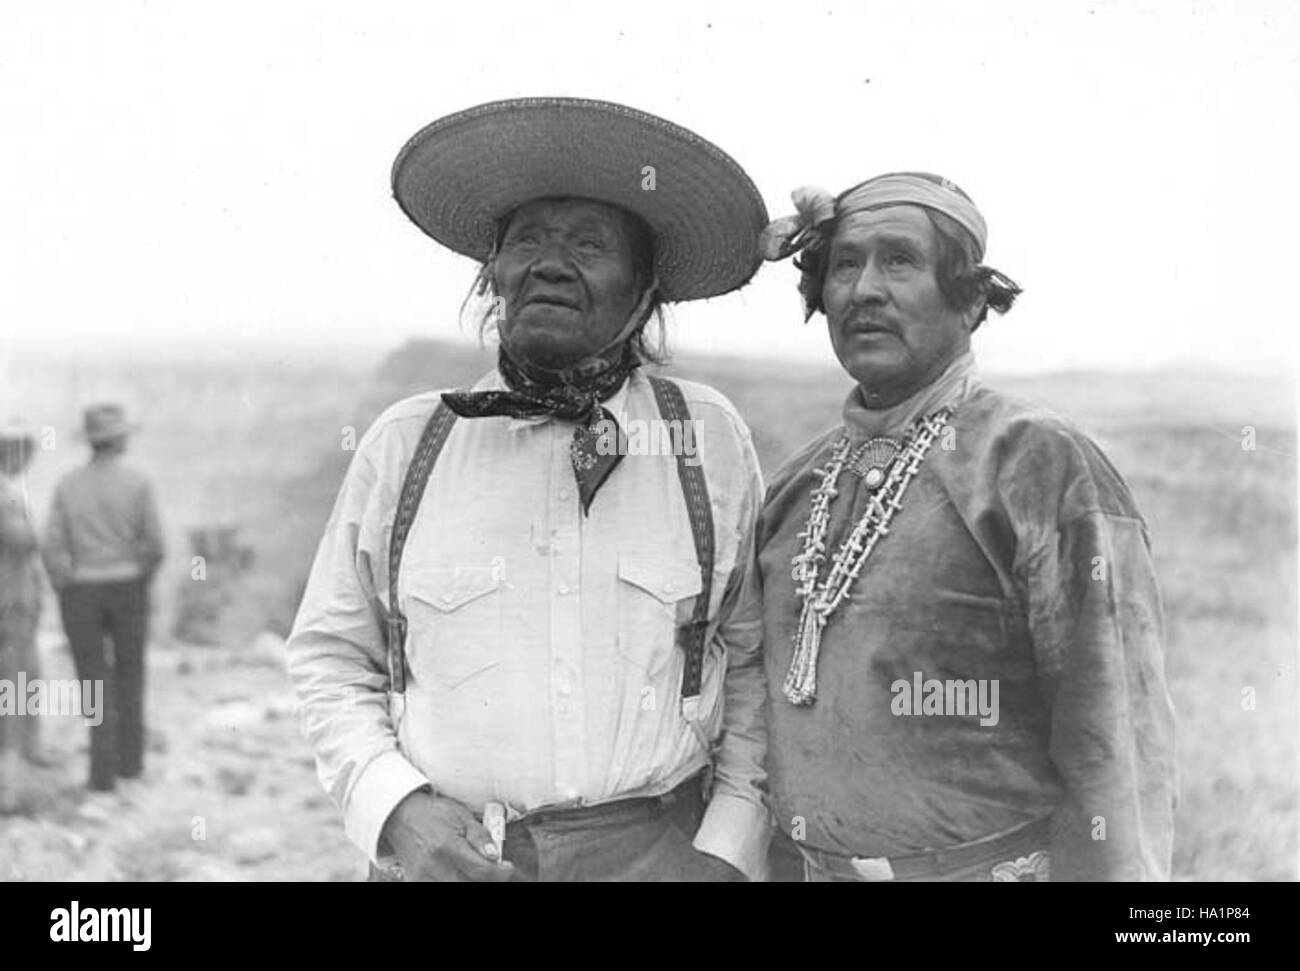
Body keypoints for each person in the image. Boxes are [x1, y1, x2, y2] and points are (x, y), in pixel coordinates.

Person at [285, 97, 771, 882]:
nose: (551, 262)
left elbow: (750, 660)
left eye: (589, 243)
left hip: (659, 856)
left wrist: (726, 850)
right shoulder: (408, 445)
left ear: (646, 289)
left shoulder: (705, 439)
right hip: (452, 861)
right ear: (494, 275)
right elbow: (332, 657)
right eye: (529, 240)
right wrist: (396, 807)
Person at [755, 172, 1176, 881]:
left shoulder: (1035, 460)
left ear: (971, 298)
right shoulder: (794, 488)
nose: (864, 290)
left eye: (900, 260)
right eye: (844, 264)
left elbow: (1115, 742)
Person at [43, 403, 165, 792]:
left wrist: (66, 583)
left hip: (81, 590)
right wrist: (141, 576)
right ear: (120, 439)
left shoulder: (67, 485)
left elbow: (51, 547)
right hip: (128, 585)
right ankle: (131, 764)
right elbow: (156, 545)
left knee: (93, 680)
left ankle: (101, 774)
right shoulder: (138, 483)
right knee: (131, 673)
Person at [0, 421, 46, 812]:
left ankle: (24, 759)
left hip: (18, 601)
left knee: (23, 682)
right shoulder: (5, 493)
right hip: (9, 605)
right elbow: (22, 539)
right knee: (12, 691)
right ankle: (9, 785)